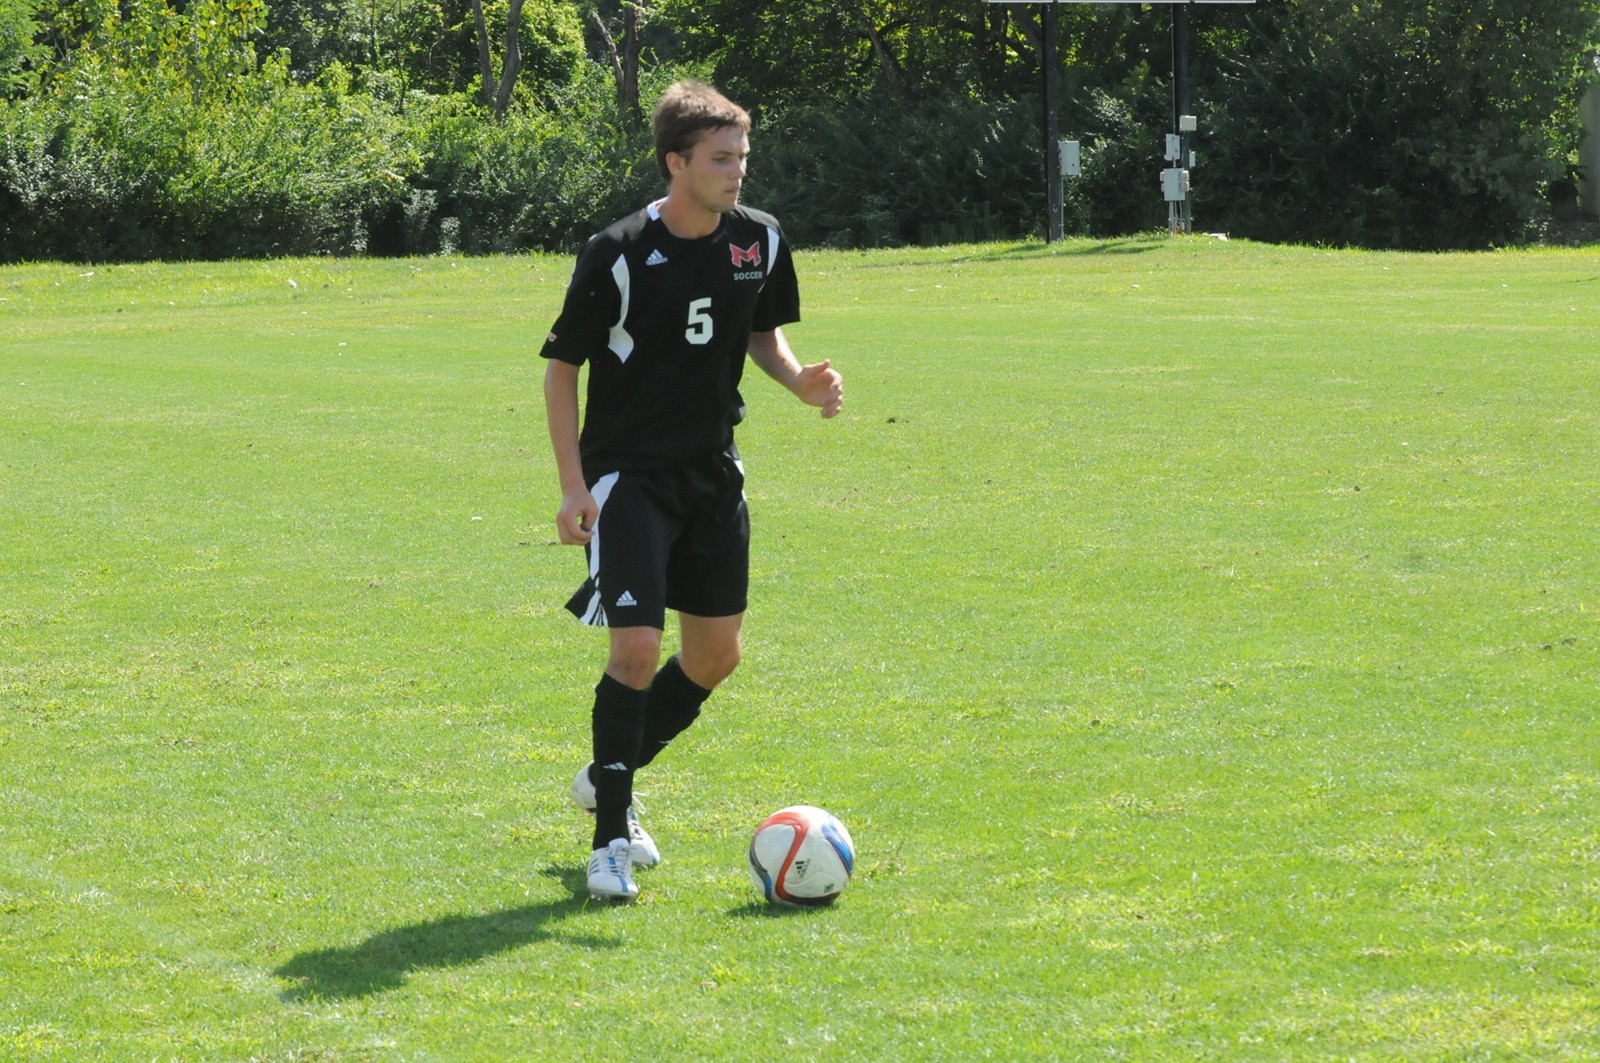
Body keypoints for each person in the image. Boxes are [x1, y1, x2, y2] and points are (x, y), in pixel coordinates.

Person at [540, 80, 844, 902]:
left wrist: (800, 383)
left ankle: (607, 775)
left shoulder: (761, 240)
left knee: (715, 656)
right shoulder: (619, 249)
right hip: (627, 476)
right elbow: (562, 368)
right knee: (636, 649)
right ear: (677, 162)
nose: (738, 171)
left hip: (713, 472)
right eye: (721, 159)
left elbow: (760, 334)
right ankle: (609, 840)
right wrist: (574, 486)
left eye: (742, 156)